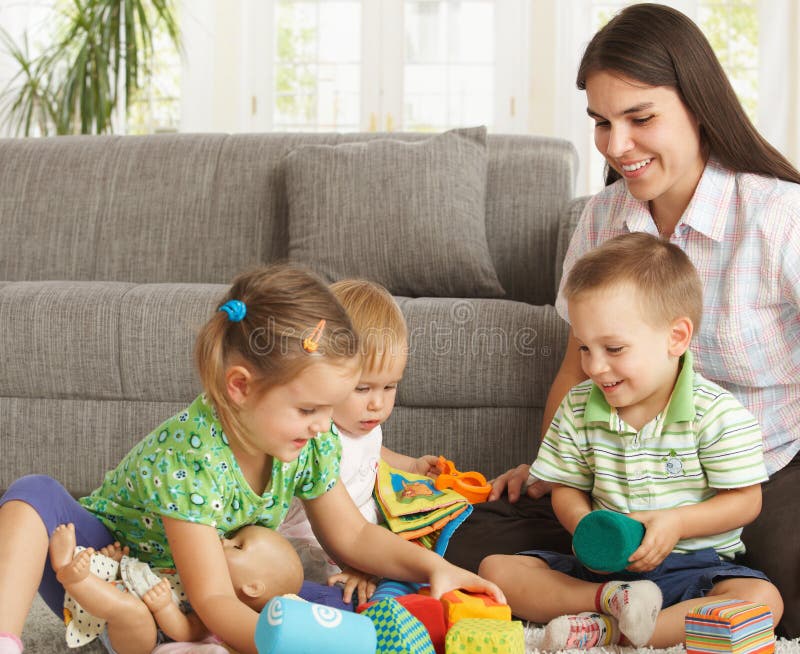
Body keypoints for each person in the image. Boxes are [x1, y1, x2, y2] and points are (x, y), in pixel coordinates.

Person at [444, 3, 800, 637]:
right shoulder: (602, 218)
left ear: (698, 105)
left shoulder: (779, 216)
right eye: (602, 122)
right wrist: (555, 468)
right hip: (618, 478)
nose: (616, 146)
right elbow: (574, 369)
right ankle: (613, 606)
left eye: (640, 118)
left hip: (755, 478)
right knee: (466, 543)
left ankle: (617, 614)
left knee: (780, 589)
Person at [0, 264, 503, 654]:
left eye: (328, 409)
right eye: (308, 409)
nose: (324, 426)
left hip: (191, 598)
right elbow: (214, 599)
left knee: (343, 603)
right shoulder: (191, 457)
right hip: (104, 569)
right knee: (33, 493)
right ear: (240, 387)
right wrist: (277, 645)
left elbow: (351, 535)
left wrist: (435, 566)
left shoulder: (307, 441)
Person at [480, 233, 783, 649]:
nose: (595, 367)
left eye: (614, 348)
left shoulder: (716, 413)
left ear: (676, 337)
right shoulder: (579, 406)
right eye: (584, 348)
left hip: (694, 569)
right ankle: (610, 603)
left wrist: (677, 523)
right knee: (495, 571)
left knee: (762, 600)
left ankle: (612, 631)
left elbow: (746, 501)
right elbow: (566, 487)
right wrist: (584, 525)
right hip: (604, 574)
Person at [279, 279, 438, 606]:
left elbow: (374, 452)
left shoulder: (363, 425)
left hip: (361, 531)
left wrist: (412, 465)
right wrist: (355, 564)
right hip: (313, 542)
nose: (377, 404)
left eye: (389, 387)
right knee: (335, 588)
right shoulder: (317, 436)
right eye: (362, 389)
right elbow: (336, 529)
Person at [48, 522, 302, 654]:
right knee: (127, 602)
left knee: (133, 612)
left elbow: (184, 632)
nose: (223, 541)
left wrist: (164, 608)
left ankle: (75, 578)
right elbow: (151, 576)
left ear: (252, 587)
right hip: (126, 601)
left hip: (143, 644)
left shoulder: (223, 614)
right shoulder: (196, 575)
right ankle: (86, 571)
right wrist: (119, 565)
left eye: (237, 546)